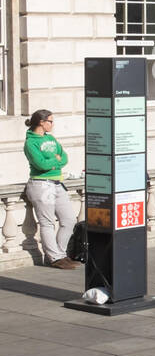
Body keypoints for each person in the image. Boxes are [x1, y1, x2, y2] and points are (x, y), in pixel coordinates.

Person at [22, 110, 78, 269]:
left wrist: (53, 162)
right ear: (41, 122)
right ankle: (54, 258)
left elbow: (65, 157)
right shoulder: (30, 142)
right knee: (47, 223)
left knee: (69, 220)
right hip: (41, 184)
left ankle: (60, 253)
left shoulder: (50, 138)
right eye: (50, 121)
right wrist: (55, 161)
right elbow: (40, 164)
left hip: (57, 183)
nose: (52, 124)